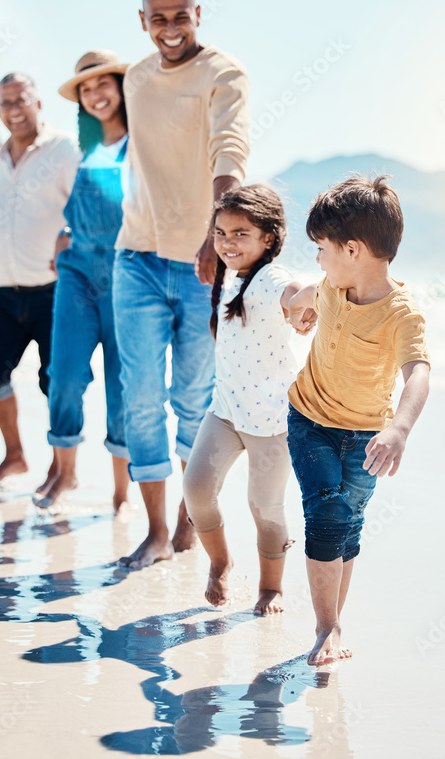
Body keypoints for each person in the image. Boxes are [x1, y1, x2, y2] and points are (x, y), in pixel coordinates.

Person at [113, 0, 250, 569]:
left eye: (181, 16)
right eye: (158, 18)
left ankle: (189, 520)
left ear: (199, 12)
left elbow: (229, 153)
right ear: (142, 21)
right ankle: (154, 530)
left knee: (193, 402)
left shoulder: (226, 74)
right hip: (136, 257)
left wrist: (214, 234)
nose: (171, 29)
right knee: (139, 398)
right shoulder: (135, 78)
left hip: (202, 264)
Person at [286, 175, 431, 666]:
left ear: (351, 250)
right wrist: (294, 309)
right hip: (310, 419)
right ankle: (326, 627)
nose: (319, 260)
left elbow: (418, 373)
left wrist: (400, 428)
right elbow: (304, 293)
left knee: (347, 526)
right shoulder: (332, 283)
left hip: (368, 432)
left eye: (321, 249)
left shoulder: (402, 314)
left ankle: (334, 621)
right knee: (325, 515)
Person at [183, 185, 304, 614]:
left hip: (270, 420)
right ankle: (221, 561)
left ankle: (271, 588)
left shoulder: (271, 277)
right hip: (226, 410)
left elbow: (293, 292)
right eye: (220, 233)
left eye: (240, 234)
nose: (227, 242)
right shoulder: (231, 275)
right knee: (196, 488)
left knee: (265, 507)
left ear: (268, 238)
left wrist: (305, 305)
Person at [0, 73, 80, 488]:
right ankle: (15, 454)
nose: (14, 109)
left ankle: (61, 468)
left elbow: (81, 205)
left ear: (38, 103)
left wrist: (67, 238)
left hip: (54, 291)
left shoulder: (63, 149)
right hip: (5, 289)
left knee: (55, 382)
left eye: (21, 100)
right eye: (5, 103)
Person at [37, 50, 131, 510]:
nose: (95, 95)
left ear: (121, 86)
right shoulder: (82, 148)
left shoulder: (143, 143)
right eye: (86, 89)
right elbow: (69, 209)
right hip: (76, 273)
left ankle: (120, 494)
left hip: (129, 274)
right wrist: (62, 233)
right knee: (64, 375)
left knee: (123, 384)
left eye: (103, 84)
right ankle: (66, 475)